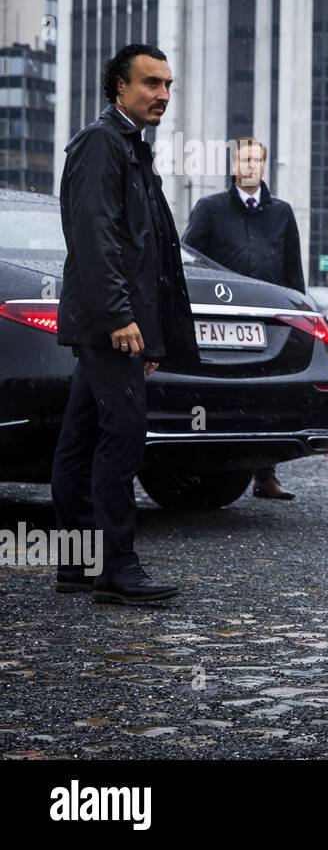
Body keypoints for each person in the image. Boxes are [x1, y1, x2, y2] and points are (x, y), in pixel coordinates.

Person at [52, 44, 200, 604]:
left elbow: (147, 247)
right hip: (107, 320)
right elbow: (94, 237)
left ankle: (73, 563)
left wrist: (147, 329)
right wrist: (120, 318)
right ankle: (117, 567)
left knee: (81, 437)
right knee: (122, 437)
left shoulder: (131, 148)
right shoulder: (101, 143)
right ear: (119, 86)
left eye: (168, 85)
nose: (162, 94)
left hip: (113, 322)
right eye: (150, 83)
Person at [182, 135, 305, 499]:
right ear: (234, 166)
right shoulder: (210, 208)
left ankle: (265, 475)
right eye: (244, 160)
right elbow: (188, 258)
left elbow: (292, 269)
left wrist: (297, 310)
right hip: (220, 318)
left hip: (265, 321)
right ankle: (204, 470)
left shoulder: (281, 212)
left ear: (263, 165)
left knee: (266, 393)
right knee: (221, 391)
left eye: (256, 160)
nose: (250, 166)